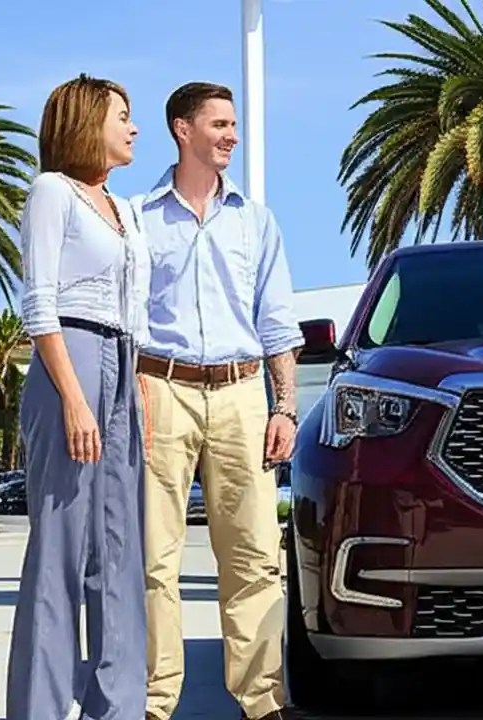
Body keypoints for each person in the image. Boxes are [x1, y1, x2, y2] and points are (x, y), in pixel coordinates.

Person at [132, 81, 303, 720]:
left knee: (256, 555)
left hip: (240, 394)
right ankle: (154, 702)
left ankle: (262, 702)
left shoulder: (255, 221)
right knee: (155, 556)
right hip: (160, 388)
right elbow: (126, 320)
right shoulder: (138, 219)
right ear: (183, 129)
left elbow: (277, 323)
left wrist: (284, 406)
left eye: (234, 125)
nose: (231, 135)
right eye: (219, 124)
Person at [6, 74, 150, 720]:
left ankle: (116, 707)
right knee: (61, 547)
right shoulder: (51, 193)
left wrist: (136, 387)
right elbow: (40, 302)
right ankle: (38, 708)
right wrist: (72, 397)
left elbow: (135, 310)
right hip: (72, 360)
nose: (134, 127)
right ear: (87, 121)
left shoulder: (124, 209)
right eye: (123, 115)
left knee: (121, 550)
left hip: (122, 362)